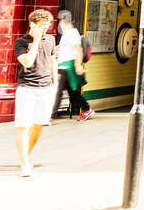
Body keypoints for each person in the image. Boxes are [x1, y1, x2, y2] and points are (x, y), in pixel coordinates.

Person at [13, 9, 57, 177]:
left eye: (48, 25)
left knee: (39, 124)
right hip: (27, 88)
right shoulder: (21, 42)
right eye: (42, 26)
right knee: (23, 125)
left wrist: (55, 85)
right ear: (32, 25)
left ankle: (26, 157)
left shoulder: (51, 40)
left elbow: (53, 61)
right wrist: (36, 40)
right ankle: (24, 163)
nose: (45, 29)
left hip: (46, 88)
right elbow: (28, 62)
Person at [55, 10, 92, 122]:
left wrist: (77, 65)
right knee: (73, 92)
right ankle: (86, 109)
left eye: (62, 21)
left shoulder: (72, 33)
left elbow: (78, 49)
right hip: (65, 65)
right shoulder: (67, 33)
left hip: (69, 66)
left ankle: (50, 116)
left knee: (60, 91)